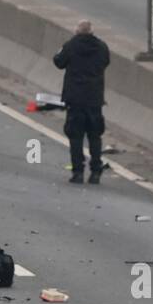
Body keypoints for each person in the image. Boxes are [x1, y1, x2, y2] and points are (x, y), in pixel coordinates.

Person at [53, 19, 111, 184]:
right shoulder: (101, 47)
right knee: (95, 136)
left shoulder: (71, 45)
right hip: (94, 99)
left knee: (76, 136)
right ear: (92, 32)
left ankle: (78, 171)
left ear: (77, 31)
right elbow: (106, 62)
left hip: (75, 98)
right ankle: (96, 171)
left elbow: (58, 61)